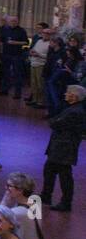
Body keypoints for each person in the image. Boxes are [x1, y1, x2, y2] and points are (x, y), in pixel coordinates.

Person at [43, 83, 84, 211]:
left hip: (64, 147)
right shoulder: (72, 109)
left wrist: (54, 121)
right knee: (50, 170)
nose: (65, 94)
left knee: (64, 175)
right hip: (61, 146)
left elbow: (55, 123)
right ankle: (46, 195)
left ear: (74, 96)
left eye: (68, 93)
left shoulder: (74, 112)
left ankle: (66, 202)